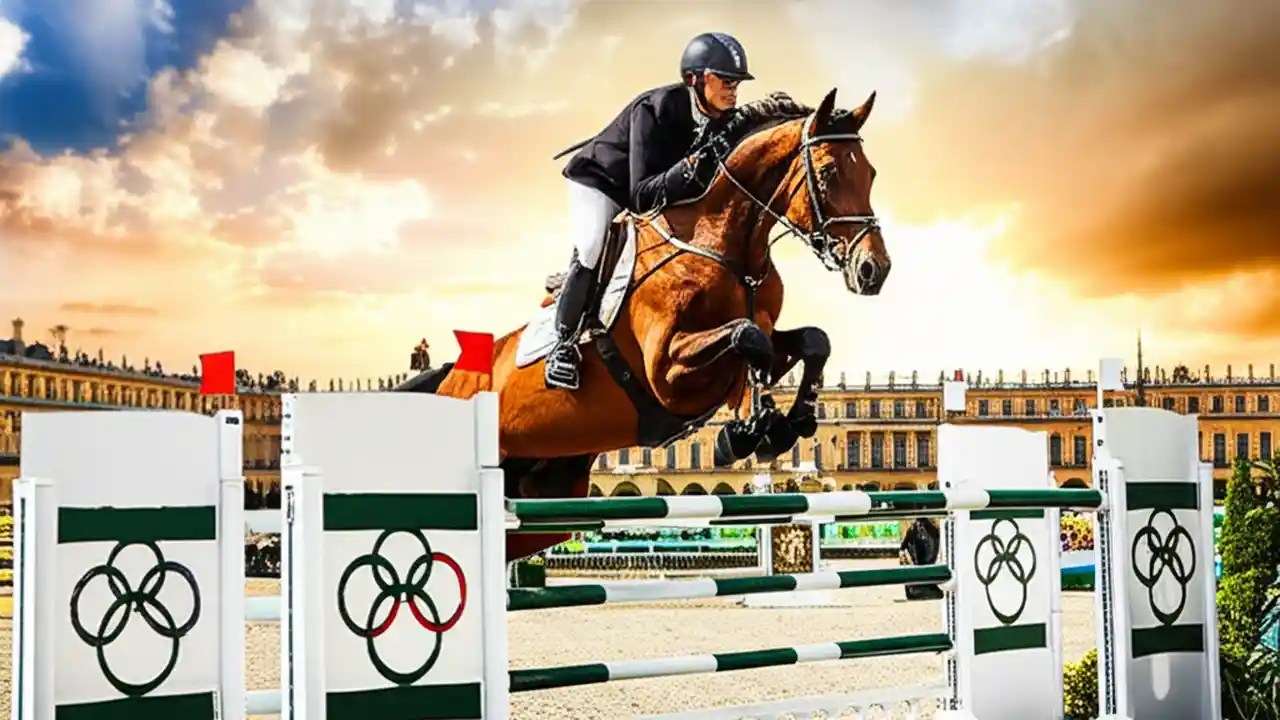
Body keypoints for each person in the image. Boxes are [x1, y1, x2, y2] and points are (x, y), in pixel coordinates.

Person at [543, 32, 755, 390]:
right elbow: (640, 195)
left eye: (737, 84)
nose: (733, 90)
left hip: (648, 190)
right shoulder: (654, 110)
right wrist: (691, 167)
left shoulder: (722, 119)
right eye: (726, 81)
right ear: (695, 79)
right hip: (600, 183)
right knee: (593, 244)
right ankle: (562, 346)